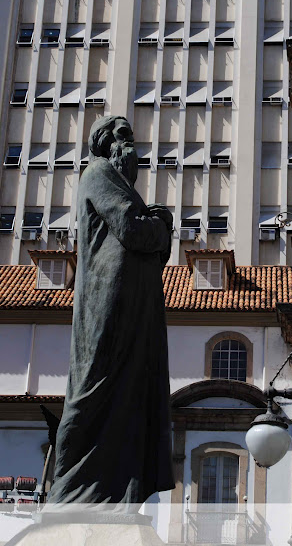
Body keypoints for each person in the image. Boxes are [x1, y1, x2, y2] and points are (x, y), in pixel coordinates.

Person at [47, 115, 175, 508]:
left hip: (133, 305)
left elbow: (145, 238)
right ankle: (69, 487)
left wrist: (157, 226)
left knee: (127, 395)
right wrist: (163, 223)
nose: (130, 145)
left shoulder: (120, 185)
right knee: (96, 389)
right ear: (102, 143)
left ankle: (113, 490)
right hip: (109, 304)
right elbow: (134, 230)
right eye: (121, 137)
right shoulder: (99, 173)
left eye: (132, 138)